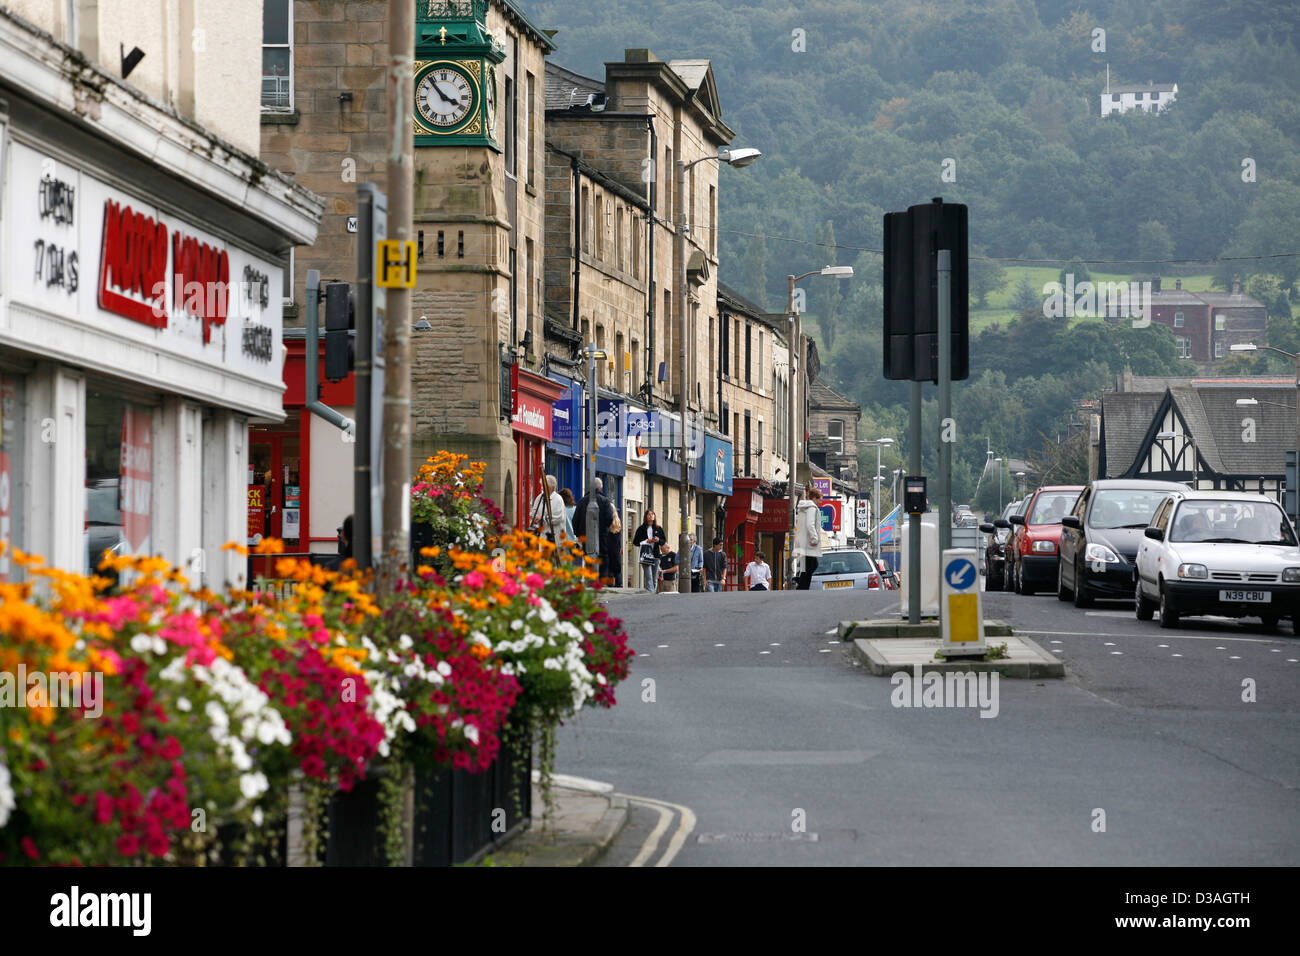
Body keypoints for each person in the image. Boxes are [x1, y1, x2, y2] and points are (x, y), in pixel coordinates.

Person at [794, 486, 823, 590]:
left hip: (804, 539)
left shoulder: (805, 508)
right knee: (811, 564)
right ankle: (803, 585)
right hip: (809, 540)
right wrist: (814, 538)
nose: (821, 501)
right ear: (814, 498)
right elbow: (810, 524)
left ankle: (801, 582)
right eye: (819, 499)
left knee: (808, 564)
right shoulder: (811, 508)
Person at [633, 510, 665, 594]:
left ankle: (651, 594)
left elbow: (663, 541)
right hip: (646, 555)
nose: (651, 516)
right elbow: (635, 542)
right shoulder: (641, 528)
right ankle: (652, 594)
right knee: (649, 576)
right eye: (649, 514)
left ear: (654, 516)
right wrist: (647, 541)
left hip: (656, 555)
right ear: (646, 517)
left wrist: (658, 540)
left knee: (654, 578)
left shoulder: (658, 528)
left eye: (652, 514)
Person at [528, 475, 567, 544]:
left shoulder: (558, 499)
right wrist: (535, 516)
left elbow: (558, 518)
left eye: (544, 486)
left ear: (551, 487)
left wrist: (542, 518)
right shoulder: (539, 498)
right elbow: (533, 512)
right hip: (542, 535)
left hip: (555, 537)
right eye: (542, 486)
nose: (542, 488)